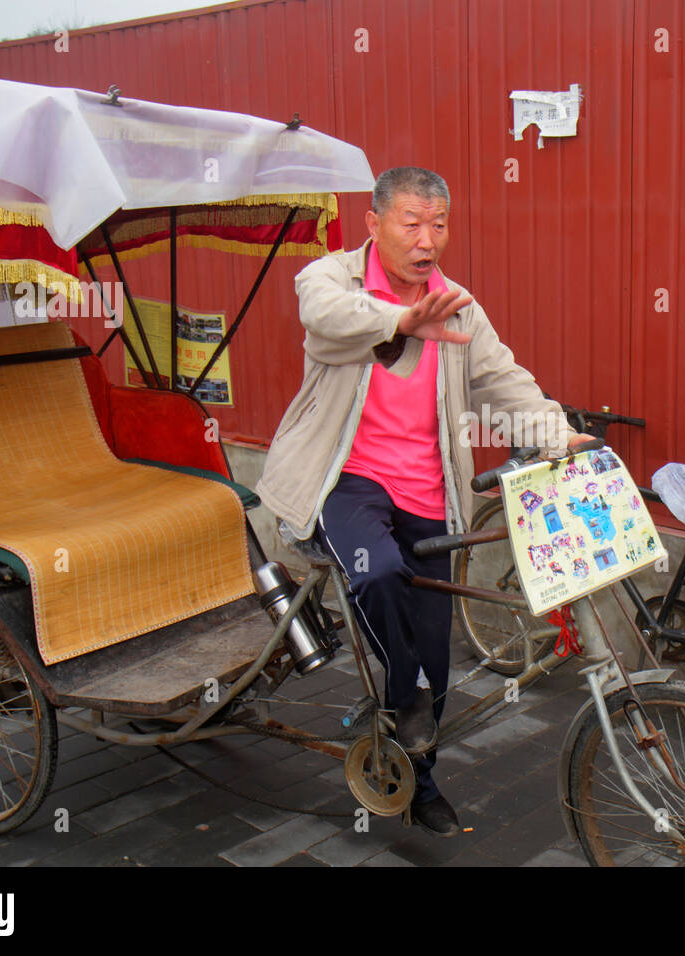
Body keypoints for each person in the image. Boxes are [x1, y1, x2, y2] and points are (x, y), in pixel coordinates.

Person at [257, 166, 585, 836]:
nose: (427, 237)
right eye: (412, 222)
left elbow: (505, 383)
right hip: (344, 480)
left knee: (436, 650)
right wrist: (402, 318)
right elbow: (327, 321)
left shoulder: (459, 306)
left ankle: (418, 781)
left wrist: (558, 436)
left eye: (439, 223)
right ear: (374, 224)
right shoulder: (330, 280)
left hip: (429, 490)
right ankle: (405, 696)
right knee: (376, 574)